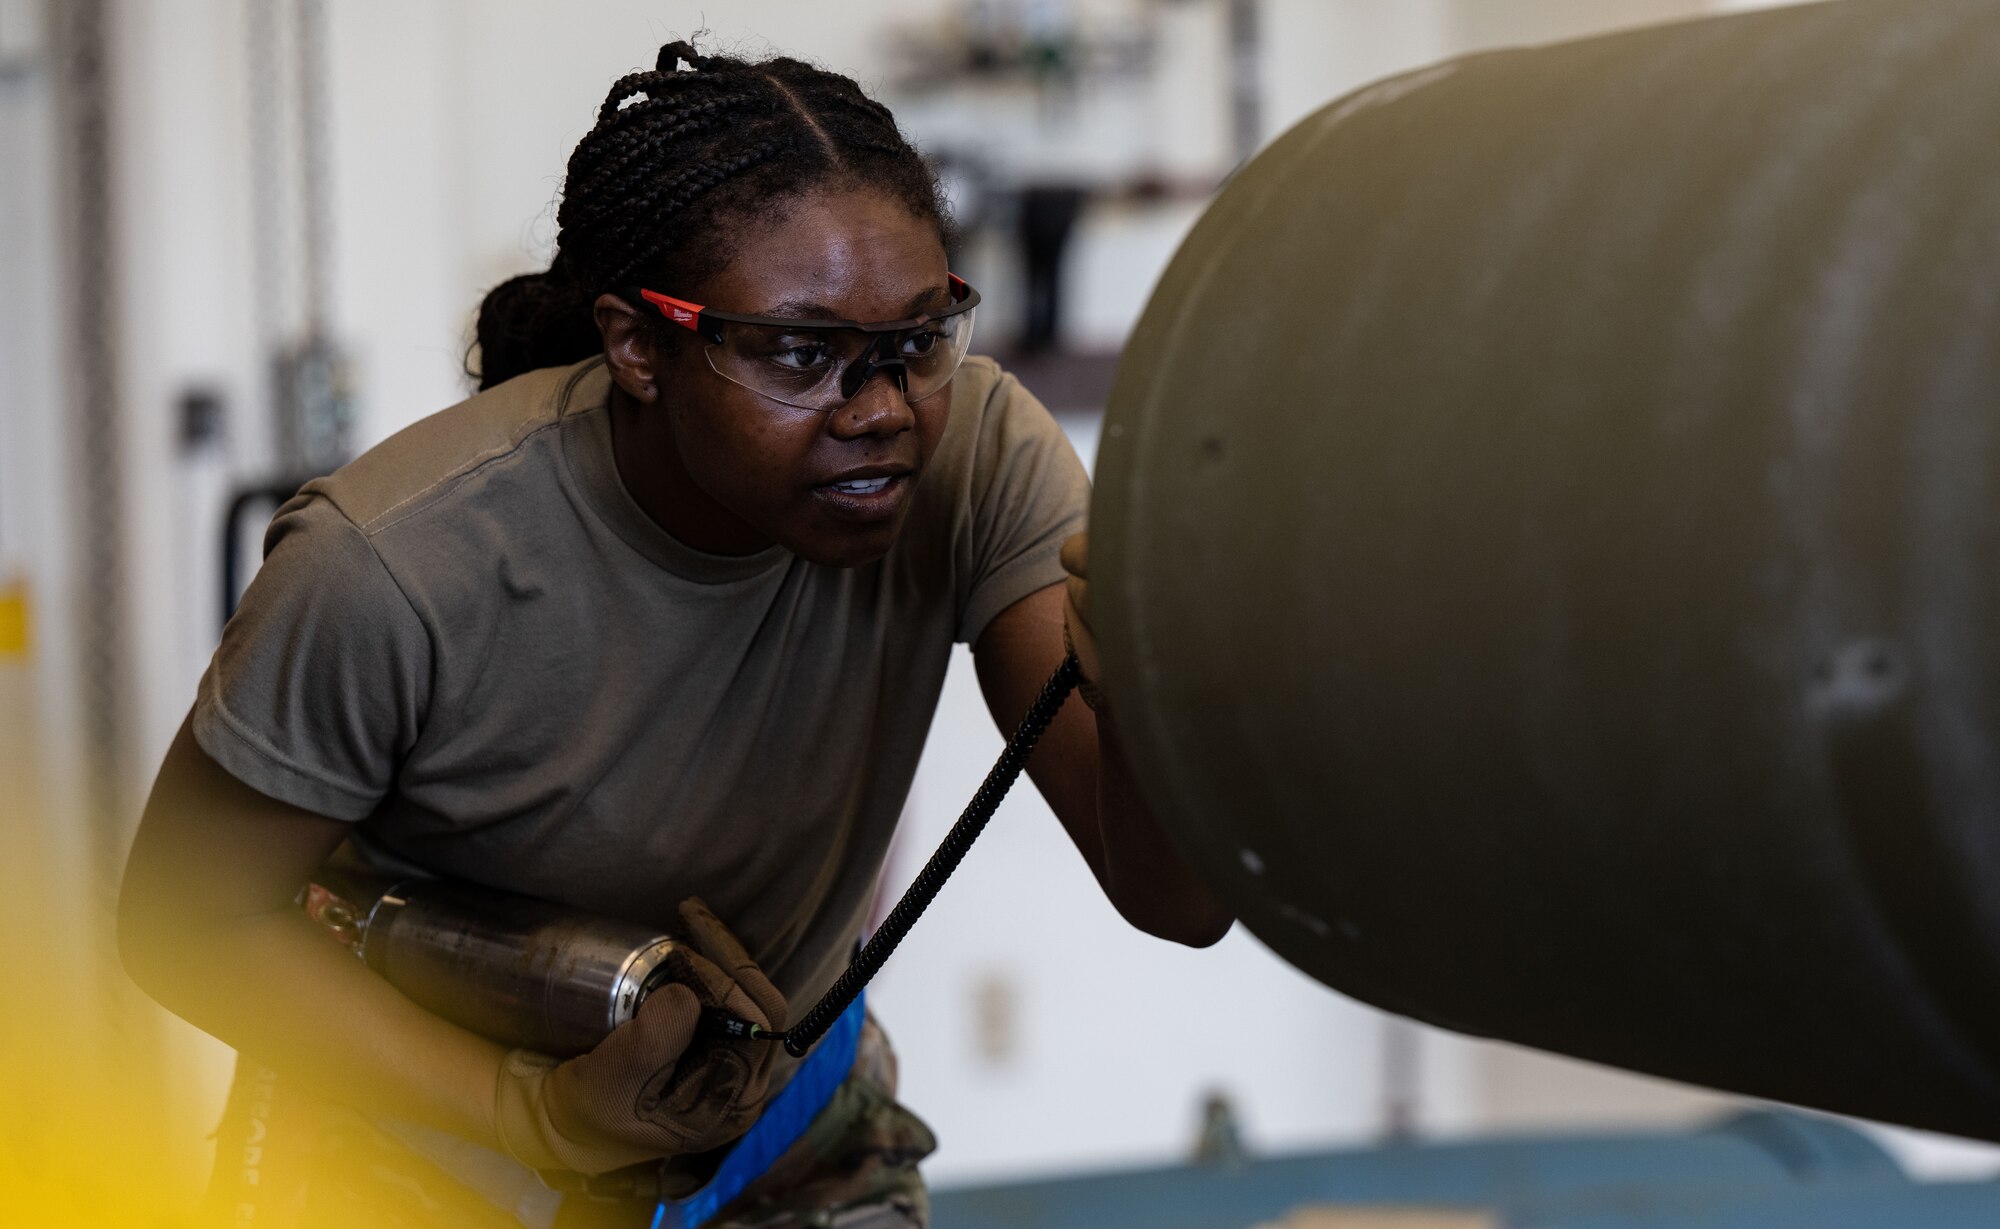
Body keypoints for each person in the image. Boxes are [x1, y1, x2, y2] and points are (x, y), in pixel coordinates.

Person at [118, 40, 1232, 1229]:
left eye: (917, 341)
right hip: (428, 1127)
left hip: (776, 1100)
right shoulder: (389, 567)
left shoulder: (979, 462)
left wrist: (1155, 708)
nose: (882, 412)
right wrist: (523, 1112)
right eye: (801, 353)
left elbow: (1177, 902)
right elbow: (184, 922)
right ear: (639, 344)